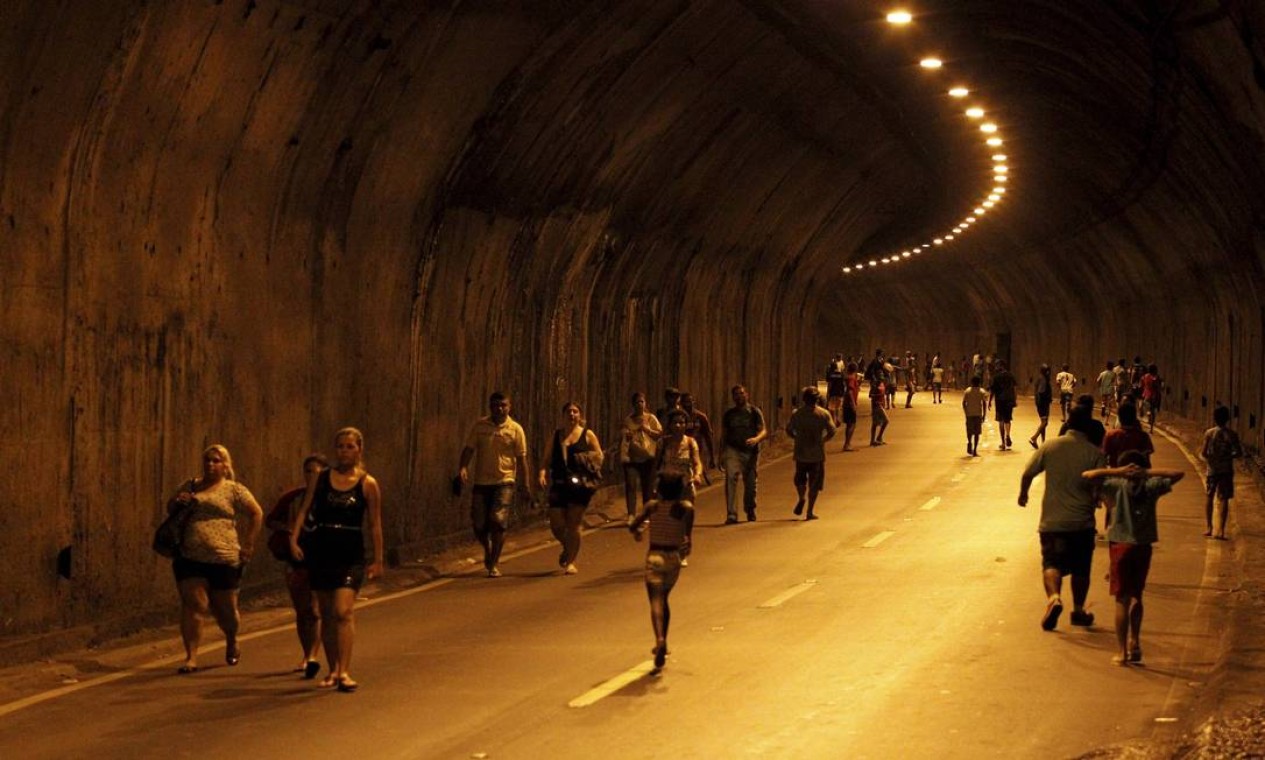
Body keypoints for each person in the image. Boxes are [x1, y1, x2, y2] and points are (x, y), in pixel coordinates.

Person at [289, 428, 383, 692]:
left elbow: (375, 524)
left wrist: (378, 559)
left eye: (350, 446)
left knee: (344, 610)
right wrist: (294, 539)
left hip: (350, 552)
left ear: (359, 449)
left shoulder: (368, 483)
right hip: (322, 550)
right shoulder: (321, 478)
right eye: (340, 446)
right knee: (328, 614)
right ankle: (332, 670)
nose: (344, 451)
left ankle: (345, 670)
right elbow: (305, 508)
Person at [166, 444, 264, 674]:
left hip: (224, 558)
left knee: (226, 611)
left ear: (225, 465)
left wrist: (249, 543)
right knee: (194, 605)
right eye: (208, 460)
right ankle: (191, 657)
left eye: (216, 461)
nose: (211, 465)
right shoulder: (190, 485)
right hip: (190, 556)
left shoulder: (234, 490)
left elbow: (256, 513)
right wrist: (178, 501)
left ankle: (231, 638)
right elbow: (170, 508)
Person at [1082, 451, 1185, 665]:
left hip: (1120, 545)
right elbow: (1178, 473)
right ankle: (1135, 641)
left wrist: (1119, 472)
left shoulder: (1116, 484)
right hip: (1143, 546)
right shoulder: (1151, 486)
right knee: (1137, 596)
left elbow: (1088, 475)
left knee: (1122, 600)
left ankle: (1122, 652)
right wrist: (1146, 473)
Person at [1017, 410, 1107, 631]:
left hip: (1052, 521)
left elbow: (1028, 473)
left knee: (1051, 563)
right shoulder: (1094, 452)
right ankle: (1078, 611)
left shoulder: (1050, 446)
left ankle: (1054, 598)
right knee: (1081, 569)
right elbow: (1099, 488)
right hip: (1081, 523)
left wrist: (1024, 494)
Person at [265, 453, 328, 679]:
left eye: (316, 471)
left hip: (321, 560)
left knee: (315, 609)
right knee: (302, 611)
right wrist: (288, 528)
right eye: (308, 471)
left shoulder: (331, 499)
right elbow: (269, 520)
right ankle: (305, 653)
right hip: (296, 559)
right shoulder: (293, 498)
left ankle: (313, 655)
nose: (312, 475)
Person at [457, 392, 532, 578]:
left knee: (498, 521)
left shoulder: (515, 429)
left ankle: (494, 562)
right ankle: (487, 546)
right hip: (482, 481)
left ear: (509, 406)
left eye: (503, 405)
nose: (500, 409)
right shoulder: (480, 426)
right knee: (478, 522)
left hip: (504, 481)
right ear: (490, 407)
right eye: (496, 405)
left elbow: (521, 459)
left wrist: (526, 484)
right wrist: (463, 468)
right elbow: (469, 449)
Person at [628, 474, 694, 672]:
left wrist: (639, 531)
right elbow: (687, 539)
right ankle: (663, 643)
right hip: (674, 559)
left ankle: (660, 639)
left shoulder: (652, 506)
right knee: (664, 599)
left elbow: (633, 526)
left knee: (656, 601)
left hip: (654, 556)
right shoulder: (686, 509)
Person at [540, 402, 604, 574]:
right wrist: (542, 473)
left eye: (575, 411)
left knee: (573, 523)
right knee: (557, 524)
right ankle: (568, 547)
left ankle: (571, 561)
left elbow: (599, 456)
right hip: (559, 483)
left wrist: (586, 459)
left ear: (580, 415)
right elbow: (546, 459)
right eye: (569, 411)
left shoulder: (587, 434)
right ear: (563, 415)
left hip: (580, 485)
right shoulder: (556, 436)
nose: (572, 414)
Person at [785, 386, 837, 519]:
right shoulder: (823, 414)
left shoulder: (797, 414)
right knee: (814, 484)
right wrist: (823, 440)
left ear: (804, 399)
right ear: (817, 399)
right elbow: (832, 430)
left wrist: (796, 437)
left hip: (801, 453)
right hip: (817, 454)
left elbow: (789, 429)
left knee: (800, 480)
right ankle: (809, 511)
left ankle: (801, 497)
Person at [720, 385, 767, 523]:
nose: (739, 396)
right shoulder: (729, 414)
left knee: (751, 484)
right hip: (733, 449)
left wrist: (756, 439)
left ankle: (750, 508)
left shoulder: (754, 411)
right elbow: (724, 434)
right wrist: (720, 455)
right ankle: (732, 514)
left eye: (741, 393)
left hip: (751, 452)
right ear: (733, 397)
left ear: (747, 395)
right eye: (736, 394)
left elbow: (764, 430)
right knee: (731, 479)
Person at [620, 392, 663, 526]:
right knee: (631, 485)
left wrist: (647, 430)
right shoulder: (628, 420)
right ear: (633, 404)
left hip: (648, 456)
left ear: (645, 404)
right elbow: (624, 438)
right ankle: (631, 514)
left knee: (647, 487)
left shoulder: (651, 419)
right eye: (637, 402)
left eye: (642, 402)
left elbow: (659, 434)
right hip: (632, 457)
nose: (640, 404)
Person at [1201, 405, 1243, 540]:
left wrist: (1212, 459)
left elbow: (1203, 452)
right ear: (1227, 419)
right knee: (1224, 499)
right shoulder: (1232, 434)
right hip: (1226, 470)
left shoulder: (1209, 433)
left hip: (1212, 470)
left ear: (1214, 418)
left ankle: (1209, 527)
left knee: (1209, 496)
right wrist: (1227, 456)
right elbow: (1238, 452)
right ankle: (1221, 530)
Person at [656, 409, 704, 501]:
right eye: (674, 422)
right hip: (666, 486)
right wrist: (654, 486)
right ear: (669, 425)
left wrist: (697, 474)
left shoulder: (691, 442)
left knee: (686, 511)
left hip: (685, 485)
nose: (678, 426)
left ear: (686, 425)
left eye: (681, 422)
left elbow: (697, 462)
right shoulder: (662, 443)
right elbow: (655, 466)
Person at [1102, 402, 1154, 467]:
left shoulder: (1111, 435)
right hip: (1138, 474)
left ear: (1120, 418)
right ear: (1134, 418)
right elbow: (1147, 460)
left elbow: (1103, 457)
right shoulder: (1143, 436)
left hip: (1116, 474)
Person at [680, 392, 717, 478]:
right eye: (685, 402)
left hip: (697, 448)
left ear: (693, 402)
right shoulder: (679, 417)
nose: (688, 404)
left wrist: (712, 457)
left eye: (690, 401)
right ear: (681, 403)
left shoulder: (700, 416)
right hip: (681, 448)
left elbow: (708, 436)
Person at [989, 360, 1018, 450]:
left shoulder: (996, 377)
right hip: (1009, 400)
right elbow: (1015, 387)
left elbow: (993, 390)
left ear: (1000, 366)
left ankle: (1002, 443)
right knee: (1008, 419)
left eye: (997, 365)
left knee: (1000, 420)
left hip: (1000, 400)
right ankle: (1008, 435)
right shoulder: (1010, 375)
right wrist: (1014, 399)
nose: (996, 367)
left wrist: (990, 401)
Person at [1028, 364, 1053, 449]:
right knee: (1044, 422)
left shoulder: (1040, 378)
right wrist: (1047, 398)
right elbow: (1041, 392)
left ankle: (1043, 442)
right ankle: (1034, 438)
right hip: (1043, 404)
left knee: (1044, 423)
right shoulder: (1043, 379)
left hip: (1040, 404)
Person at [962, 376, 987, 456]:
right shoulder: (982, 391)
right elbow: (984, 403)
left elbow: (963, 403)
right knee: (977, 433)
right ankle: (975, 449)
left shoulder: (967, 391)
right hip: (978, 414)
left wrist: (966, 412)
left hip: (969, 414)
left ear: (971, 382)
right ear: (979, 383)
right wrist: (984, 415)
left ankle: (969, 442)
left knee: (969, 431)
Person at [841, 361, 861, 451]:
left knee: (849, 424)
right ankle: (847, 444)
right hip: (849, 404)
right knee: (852, 424)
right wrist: (853, 404)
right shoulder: (852, 378)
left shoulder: (850, 378)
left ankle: (847, 443)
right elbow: (850, 391)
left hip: (846, 403)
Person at [825, 354, 847, 426]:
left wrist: (828, 393)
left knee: (831, 407)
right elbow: (844, 384)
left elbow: (830, 385)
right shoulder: (841, 374)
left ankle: (833, 420)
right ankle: (837, 419)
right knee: (838, 407)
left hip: (833, 393)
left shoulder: (831, 375)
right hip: (840, 392)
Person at [868, 375, 889, 447]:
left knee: (878, 422)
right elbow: (870, 395)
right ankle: (875, 439)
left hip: (881, 405)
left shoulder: (883, 384)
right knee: (884, 421)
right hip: (876, 406)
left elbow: (884, 395)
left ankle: (877, 438)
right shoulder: (874, 385)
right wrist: (877, 395)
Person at [1140, 364, 1162, 432]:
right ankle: (1151, 428)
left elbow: (1142, 385)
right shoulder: (1156, 377)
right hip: (1155, 396)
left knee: (1147, 407)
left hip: (1147, 395)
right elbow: (1159, 386)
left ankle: (1148, 414)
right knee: (1154, 411)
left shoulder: (1145, 376)